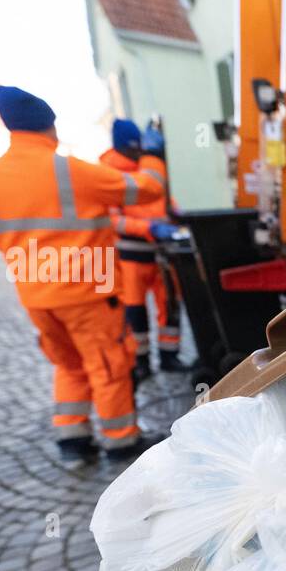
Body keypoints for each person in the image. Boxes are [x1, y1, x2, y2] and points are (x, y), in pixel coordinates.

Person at [0, 86, 166, 464]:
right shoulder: (68, 170)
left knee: (68, 364)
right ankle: (121, 439)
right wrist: (154, 156)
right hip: (88, 290)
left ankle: (72, 436)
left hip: (34, 294)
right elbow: (147, 189)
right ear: (49, 125)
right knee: (107, 362)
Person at [98, 120, 183, 384]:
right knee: (135, 312)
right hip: (130, 257)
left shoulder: (148, 168)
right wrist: (149, 228)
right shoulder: (106, 174)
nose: (139, 154)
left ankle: (170, 357)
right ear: (124, 148)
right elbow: (111, 221)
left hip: (162, 254)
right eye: (135, 149)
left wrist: (175, 216)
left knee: (169, 305)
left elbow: (163, 198)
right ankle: (141, 362)